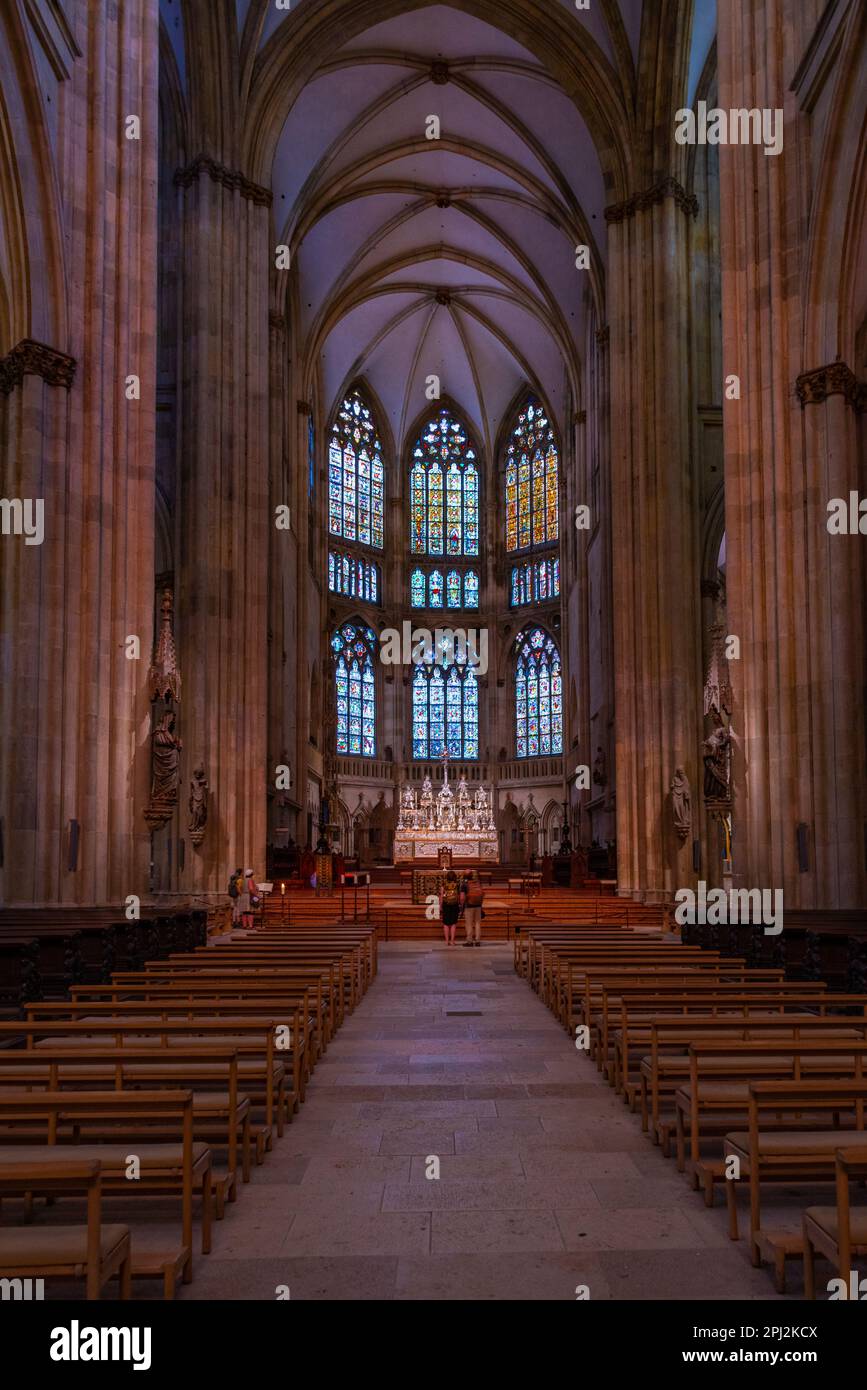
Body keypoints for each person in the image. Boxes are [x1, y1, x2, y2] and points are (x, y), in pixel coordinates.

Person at [461, 868, 485, 947]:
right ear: (472, 875)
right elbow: (483, 893)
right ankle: (478, 941)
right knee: (478, 923)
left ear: (464, 876)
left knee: (469, 924)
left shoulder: (464, 884)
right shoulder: (477, 882)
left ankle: (470, 941)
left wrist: (462, 905)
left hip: (469, 905)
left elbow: (462, 897)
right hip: (478, 905)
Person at [440, 869, 461, 947]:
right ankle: (452, 941)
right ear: (454, 877)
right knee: (453, 923)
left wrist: (440, 905)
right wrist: (459, 904)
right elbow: (458, 896)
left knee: (446, 923)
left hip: (446, 904)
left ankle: (446, 941)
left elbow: (442, 895)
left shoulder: (444, 884)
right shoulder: (457, 884)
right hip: (454, 904)